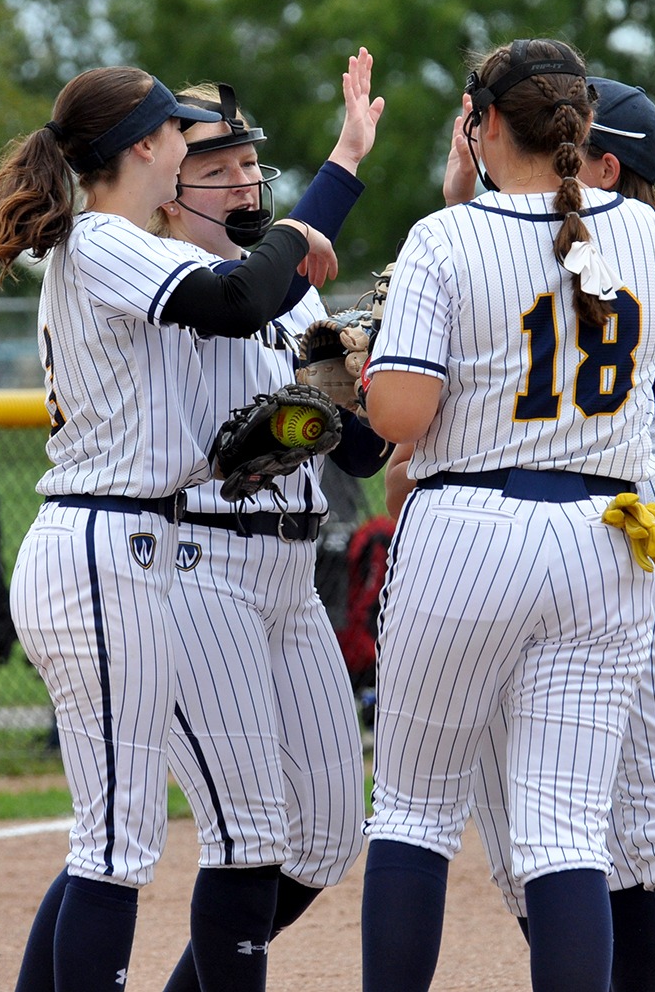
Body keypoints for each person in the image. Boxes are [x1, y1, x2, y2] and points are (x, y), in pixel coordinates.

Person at [0, 64, 339, 992]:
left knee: (117, 841)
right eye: (174, 131)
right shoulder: (102, 240)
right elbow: (238, 297)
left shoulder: (124, 244)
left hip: (132, 542)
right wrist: (324, 197)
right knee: (117, 844)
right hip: (104, 546)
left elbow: (244, 311)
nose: (186, 145)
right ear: (141, 145)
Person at [359, 38, 655, 992]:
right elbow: (651, 380)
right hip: (608, 538)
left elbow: (401, 416)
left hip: (470, 531)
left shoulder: (446, 236)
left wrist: (369, 366)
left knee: (415, 813)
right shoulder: (644, 234)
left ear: (484, 123)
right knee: (565, 832)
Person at [148, 56, 390, 992]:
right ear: (165, 185)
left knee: (327, 836)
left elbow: (360, 453)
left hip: (289, 581)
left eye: (250, 163)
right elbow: (245, 297)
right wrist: (348, 158)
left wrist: (365, 385)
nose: (245, 179)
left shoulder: (290, 289)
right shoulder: (166, 273)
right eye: (216, 167)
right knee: (244, 834)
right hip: (196, 564)